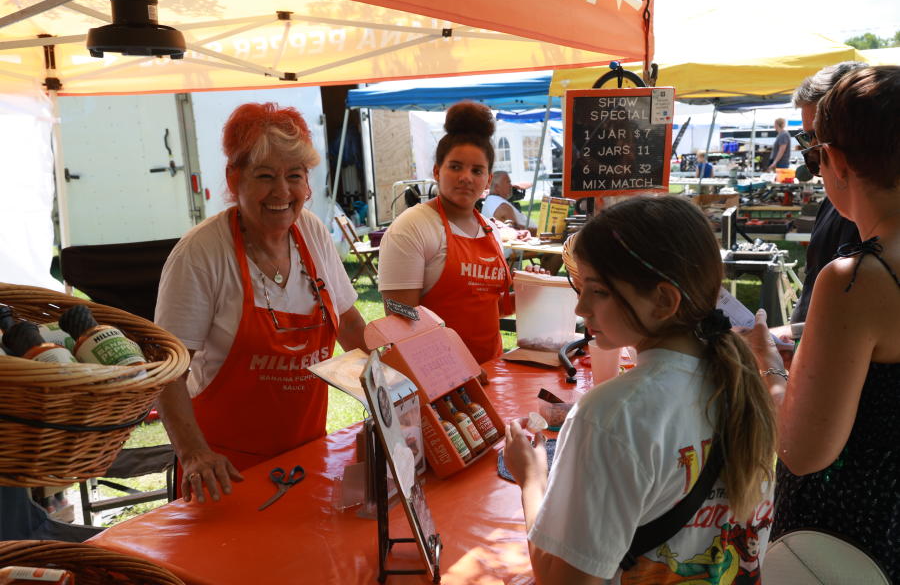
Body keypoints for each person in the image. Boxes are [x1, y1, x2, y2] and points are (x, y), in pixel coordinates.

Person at [504, 195, 777, 584]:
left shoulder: (611, 416)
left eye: (597, 290)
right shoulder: (744, 387)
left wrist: (531, 479)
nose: (580, 307)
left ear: (663, 301)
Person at [155, 102, 367, 503]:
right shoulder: (200, 254)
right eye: (265, 176)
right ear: (235, 180)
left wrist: (406, 386)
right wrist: (195, 454)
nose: (282, 193)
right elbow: (168, 373)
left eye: (295, 177)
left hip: (306, 459)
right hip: (224, 474)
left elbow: (352, 326)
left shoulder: (313, 232)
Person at [748, 66, 900, 582]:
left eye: (815, 154)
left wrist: (767, 364)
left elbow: (801, 450)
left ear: (834, 159)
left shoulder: (857, 278)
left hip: (846, 542)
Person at [378, 102, 512, 365]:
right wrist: (453, 368)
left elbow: (485, 307)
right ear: (437, 171)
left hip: (491, 373)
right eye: (455, 167)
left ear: (488, 179)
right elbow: (399, 314)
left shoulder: (490, 229)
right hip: (434, 377)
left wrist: (534, 291)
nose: (466, 177)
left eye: (477, 171)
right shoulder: (412, 227)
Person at [785, 61, 864, 328]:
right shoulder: (834, 202)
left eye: (816, 139)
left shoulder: (876, 219)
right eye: (806, 141)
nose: (812, 152)